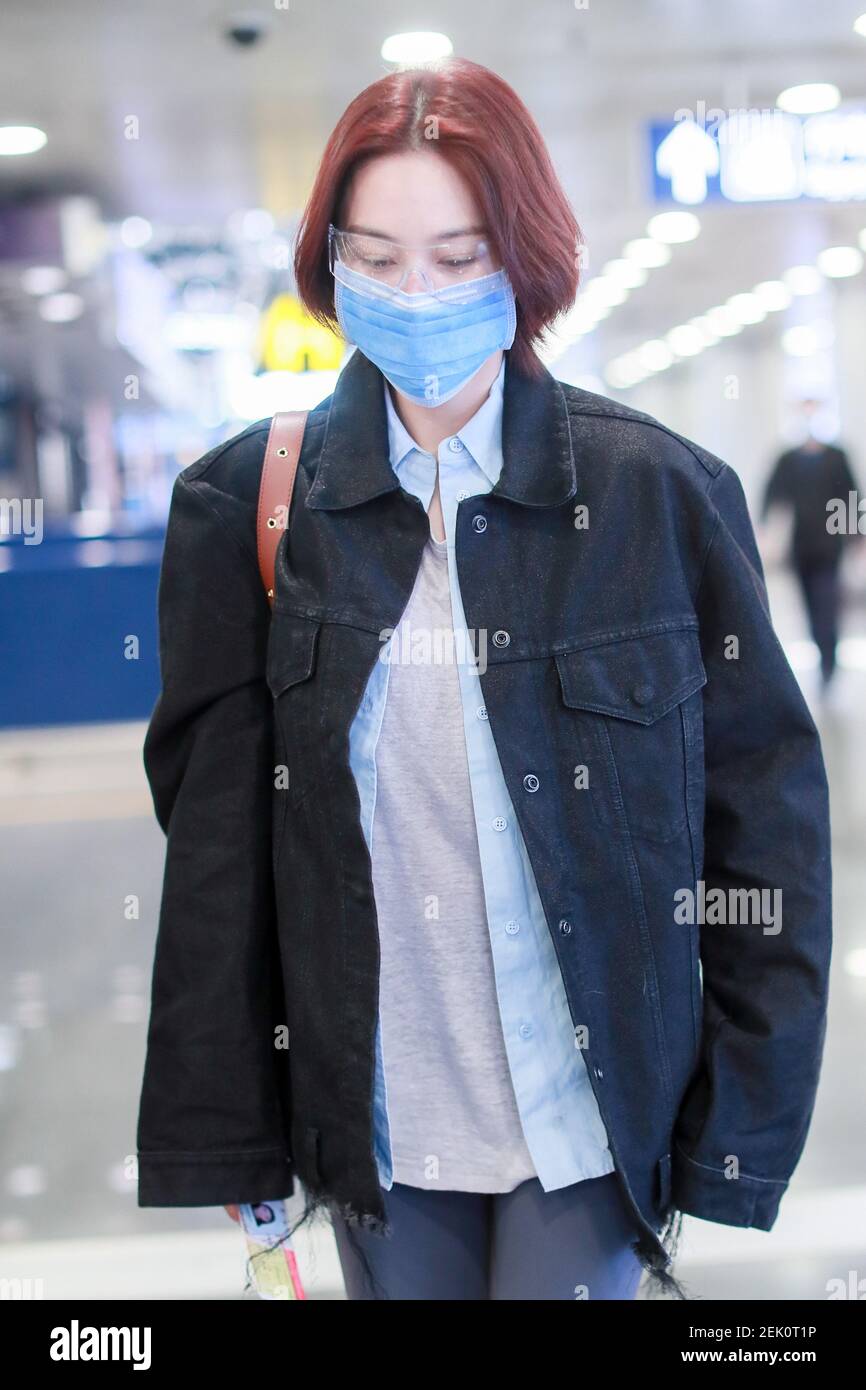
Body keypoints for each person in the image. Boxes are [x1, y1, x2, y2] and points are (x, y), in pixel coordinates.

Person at [136, 57, 833, 1301]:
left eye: (460, 258)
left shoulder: (654, 497)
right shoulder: (246, 509)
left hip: (588, 1121)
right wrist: (227, 1122)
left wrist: (737, 1120)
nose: (419, 294)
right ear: (330, 263)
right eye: (381, 255)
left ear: (523, 256)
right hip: (379, 1127)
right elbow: (217, 858)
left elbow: (763, 831)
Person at [762, 399, 860, 688]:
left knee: (826, 603)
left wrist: (858, 538)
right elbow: (771, 494)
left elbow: (853, 495)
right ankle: (821, 653)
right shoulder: (788, 459)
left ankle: (829, 660)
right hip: (801, 548)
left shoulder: (836, 457)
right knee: (809, 606)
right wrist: (764, 529)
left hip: (829, 547)